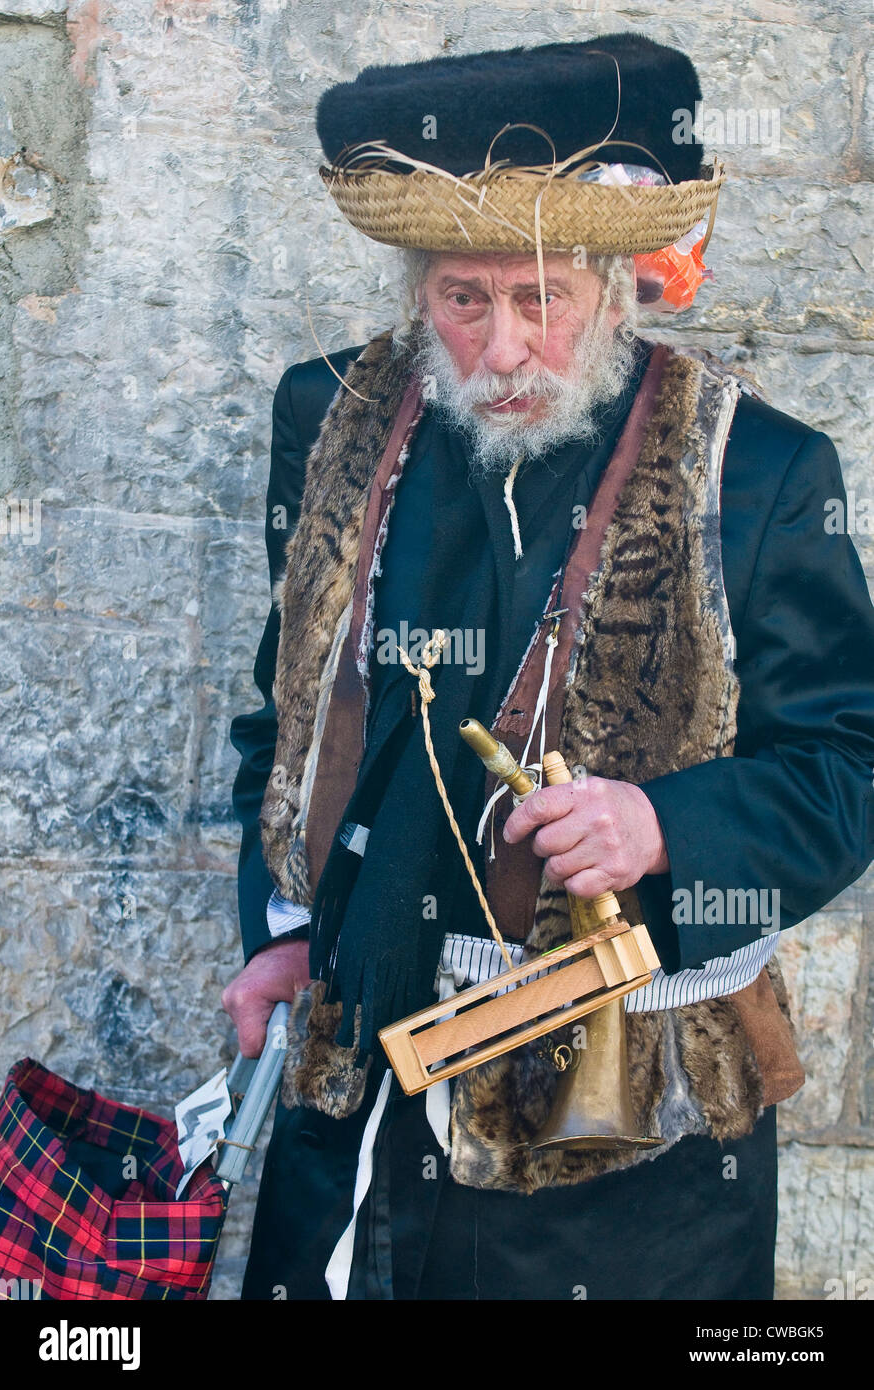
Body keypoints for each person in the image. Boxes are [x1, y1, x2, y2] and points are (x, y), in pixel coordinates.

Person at [222, 32, 874, 1300]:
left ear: (619, 286)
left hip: (625, 1175)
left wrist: (662, 822)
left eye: (541, 301)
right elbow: (285, 722)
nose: (503, 348)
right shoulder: (330, 417)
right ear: (418, 289)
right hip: (356, 1112)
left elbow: (851, 762)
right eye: (465, 299)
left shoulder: (764, 473)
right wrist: (285, 931)